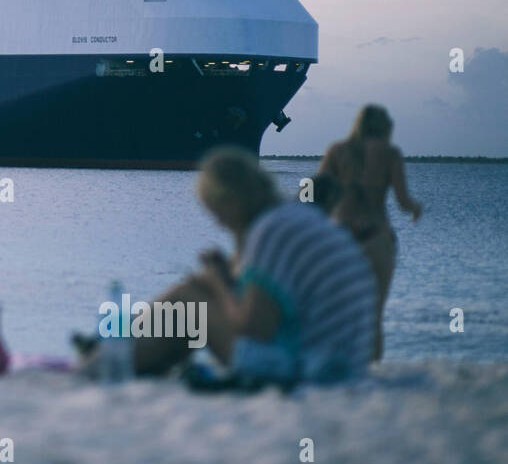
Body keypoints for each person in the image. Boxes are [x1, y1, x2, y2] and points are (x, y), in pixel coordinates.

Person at [79, 147, 376, 384]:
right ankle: (127, 354)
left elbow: (254, 328)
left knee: (188, 300)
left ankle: (107, 360)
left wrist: (218, 282)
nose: (219, 223)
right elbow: (275, 312)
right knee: (197, 293)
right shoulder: (294, 219)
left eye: (217, 212)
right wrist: (221, 280)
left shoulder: (269, 230)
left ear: (232, 201)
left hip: (306, 369)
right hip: (340, 362)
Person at [315, 105, 422, 360]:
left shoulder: (336, 151)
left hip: (339, 236)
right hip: (376, 237)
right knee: (374, 316)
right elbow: (403, 201)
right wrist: (417, 209)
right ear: (386, 128)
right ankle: (372, 373)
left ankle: (339, 366)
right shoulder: (390, 154)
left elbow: (316, 190)